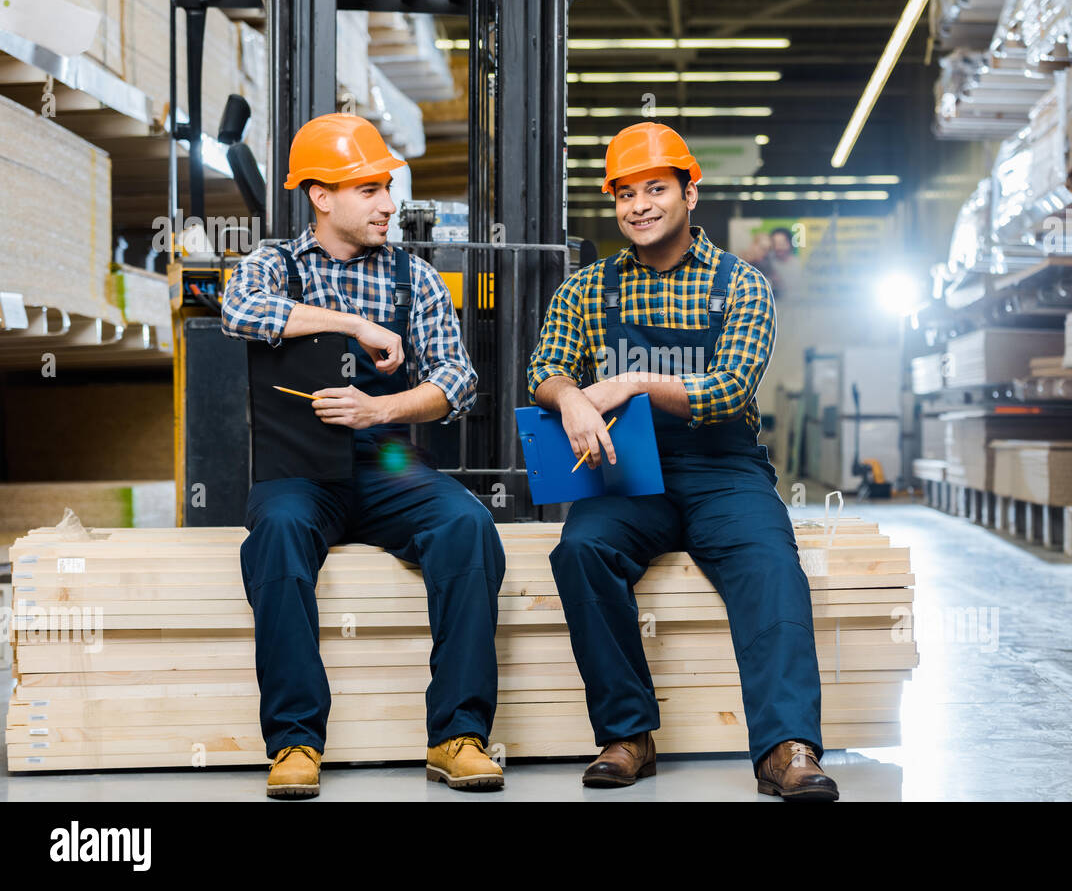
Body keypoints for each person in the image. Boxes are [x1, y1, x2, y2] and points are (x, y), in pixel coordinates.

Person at [526, 121, 839, 801]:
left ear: (690, 192)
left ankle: (787, 748)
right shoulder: (587, 288)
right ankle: (627, 733)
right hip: (629, 472)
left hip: (723, 467)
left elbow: (728, 391)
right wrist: (570, 397)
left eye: (655, 189)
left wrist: (632, 380)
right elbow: (544, 368)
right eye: (625, 194)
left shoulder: (742, 285)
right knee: (580, 548)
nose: (637, 205)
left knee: (771, 565)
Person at [221, 113, 506, 798]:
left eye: (388, 187)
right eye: (370, 188)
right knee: (279, 534)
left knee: (468, 525)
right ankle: (294, 741)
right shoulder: (274, 264)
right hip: (297, 464)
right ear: (320, 196)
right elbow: (237, 308)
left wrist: (380, 407)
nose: (388, 204)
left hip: (383, 460)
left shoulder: (416, 278)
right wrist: (351, 322)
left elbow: (456, 381)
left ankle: (457, 734)